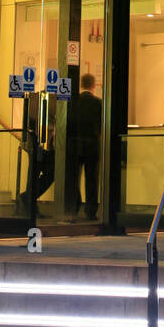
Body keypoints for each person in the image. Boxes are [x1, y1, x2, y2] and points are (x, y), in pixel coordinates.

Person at [71, 73, 102, 220]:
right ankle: (90, 211)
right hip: (92, 145)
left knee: (74, 178)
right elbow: (100, 125)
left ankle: (74, 206)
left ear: (81, 84)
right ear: (93, 85)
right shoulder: (98, 103)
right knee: (91, 179)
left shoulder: (74, 101)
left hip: (76, 144)